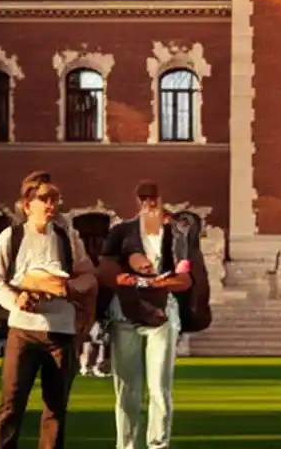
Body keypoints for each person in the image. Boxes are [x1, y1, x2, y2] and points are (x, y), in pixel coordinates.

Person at [0, 172, 97, 449]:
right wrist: (17, 301)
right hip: (23, 332)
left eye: (55, 198)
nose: (52, 204)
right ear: (27, 205)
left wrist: (68, 288)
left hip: (61, 333)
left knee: (55, 411)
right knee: (10, 406)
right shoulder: (9, 238)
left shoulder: (67, 237)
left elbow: (88, 276)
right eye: (44, 198)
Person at [96, 181, 197, 449]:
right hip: (125, 312)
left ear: (162, 200)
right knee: (127, 390)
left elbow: (185, 278)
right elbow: (105, 268)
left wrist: (157, 283)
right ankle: (126, 445)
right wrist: (120, 278)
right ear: (138, 200)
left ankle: (158, 444)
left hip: (162, 314)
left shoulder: (176, 236)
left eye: (153, 198)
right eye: (144, 198)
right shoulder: (122, 232)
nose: (149, 203)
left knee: (159, 389)